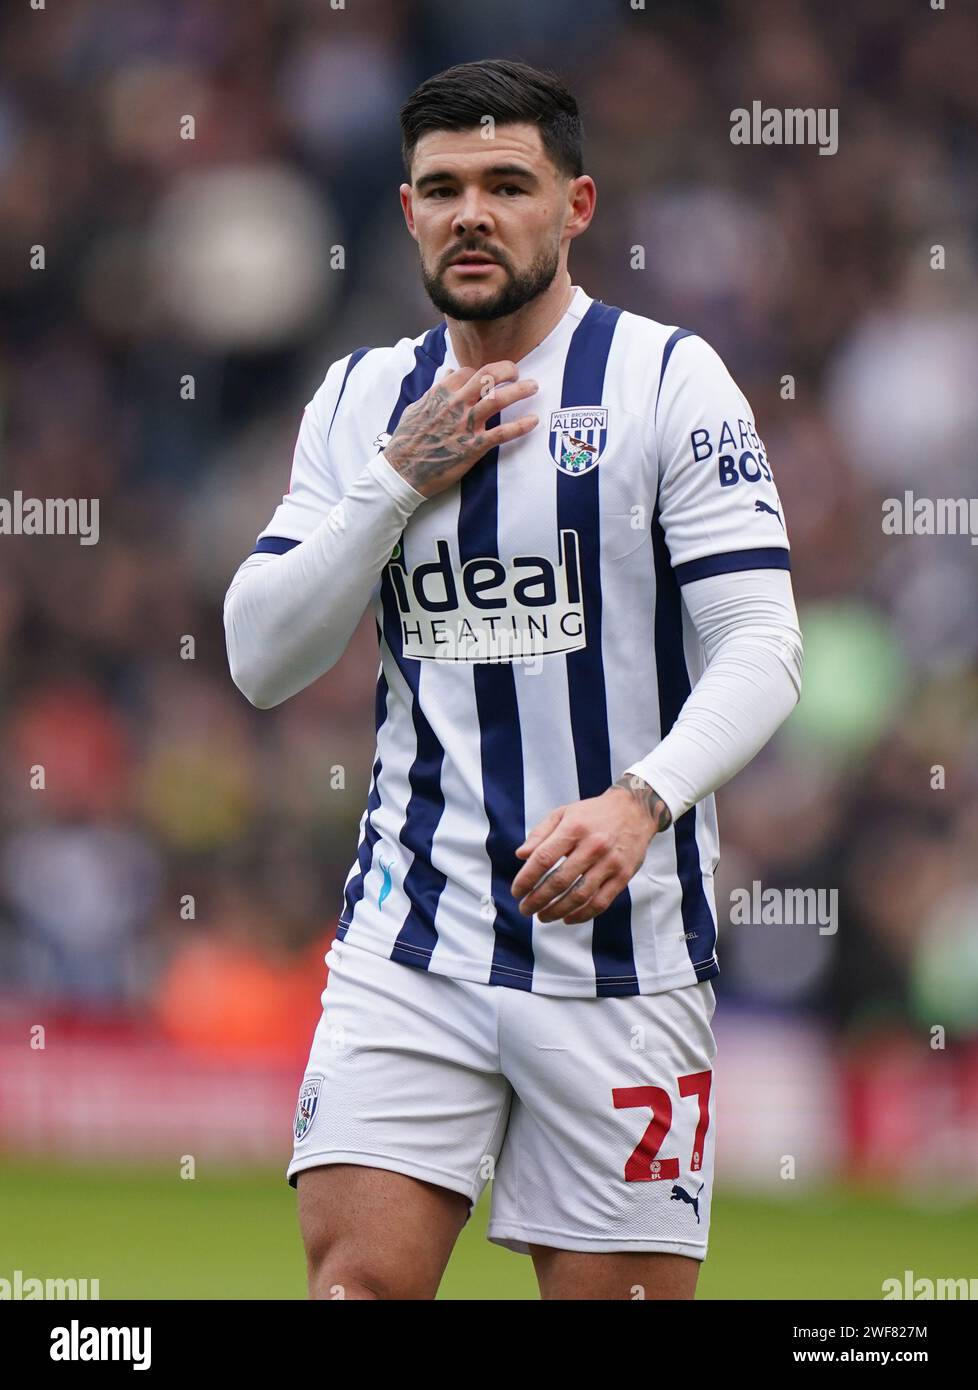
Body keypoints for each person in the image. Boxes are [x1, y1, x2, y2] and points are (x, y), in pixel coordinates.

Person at [223, 58, 803, 1301]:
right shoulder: (364, 397)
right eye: (442, 188)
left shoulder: (666, 379)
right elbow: (262, 657)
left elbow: (765, 646)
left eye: (506, 184)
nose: (471, 213)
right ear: (406, 211)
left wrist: (638, 801)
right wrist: (391, 481)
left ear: (576, 206)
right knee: (353, 1291)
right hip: (410, 938)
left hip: (621, 951)